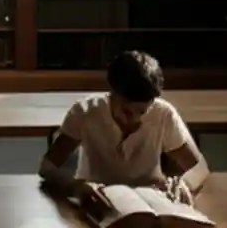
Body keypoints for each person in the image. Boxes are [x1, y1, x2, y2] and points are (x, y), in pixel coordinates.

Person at [38, 50, 207, 215]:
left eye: (142, 112)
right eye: (126, 111)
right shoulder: (85, 112)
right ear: (112, 93)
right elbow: (47, 167)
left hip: (152, 201)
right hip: (98, 202)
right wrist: (75, 186)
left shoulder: (163, 114)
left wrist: (184, 183)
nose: (134, 119)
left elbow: (199, 167)